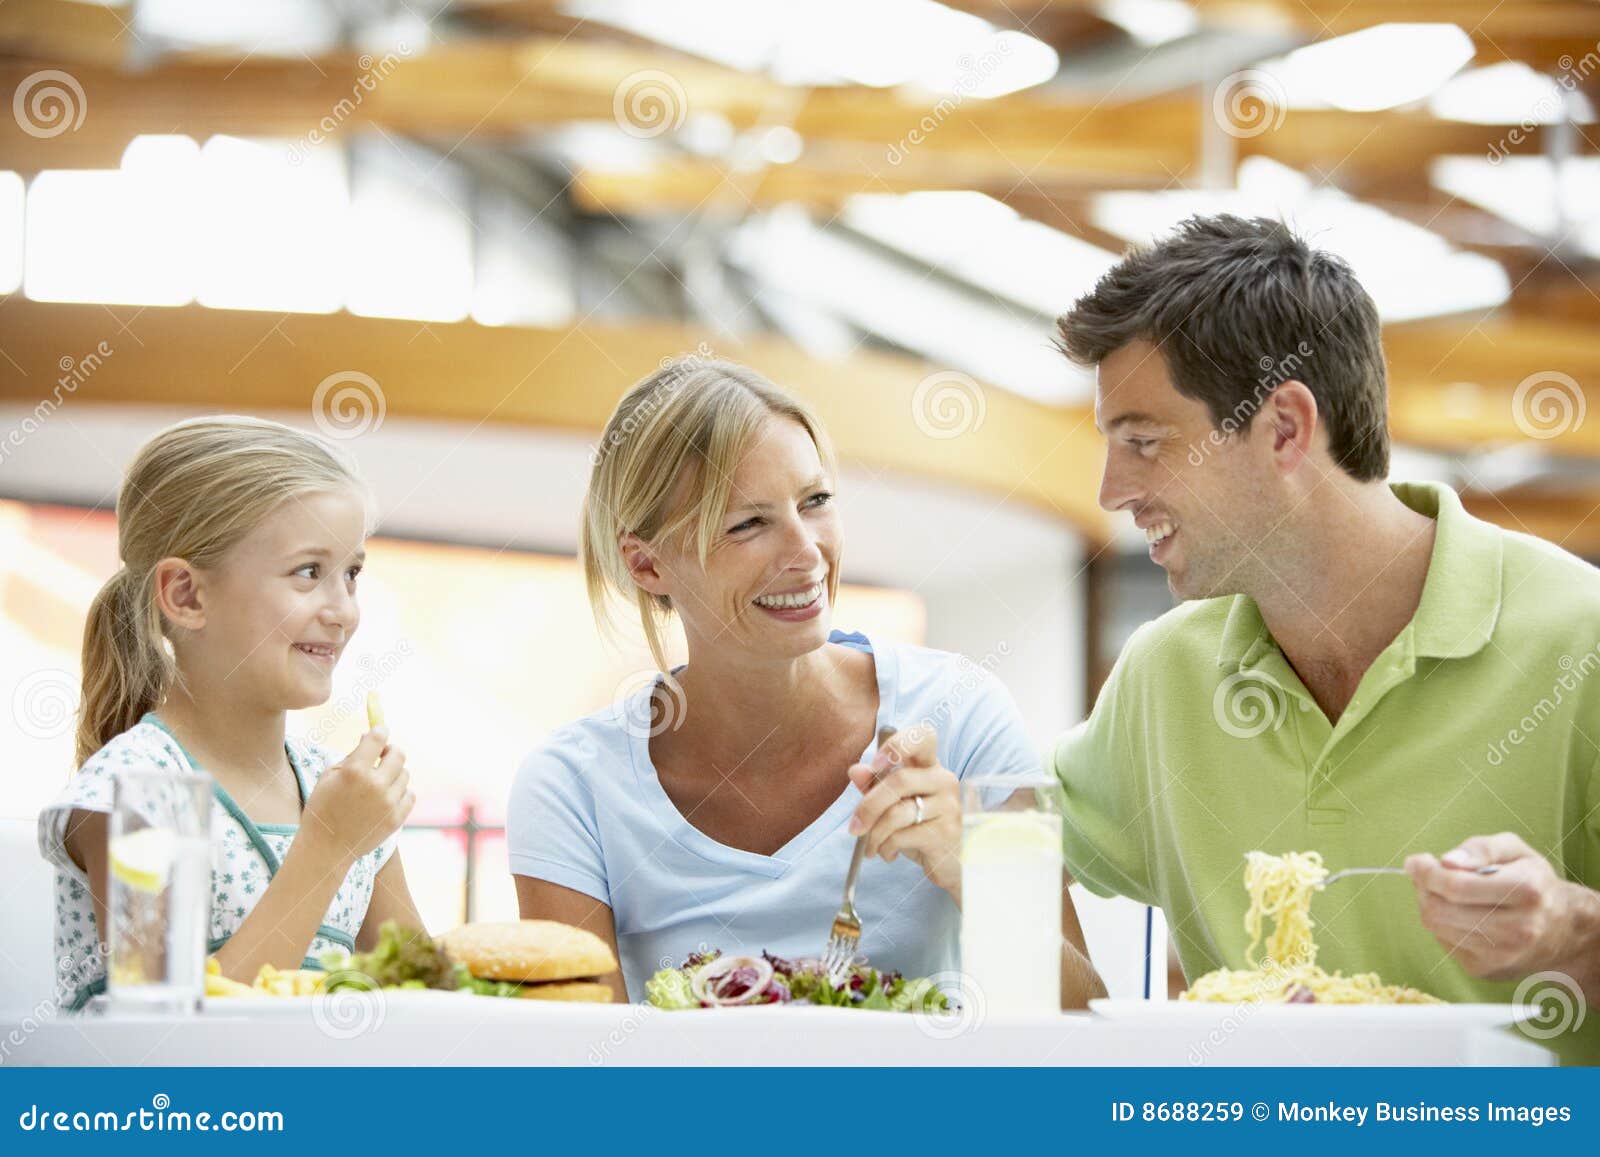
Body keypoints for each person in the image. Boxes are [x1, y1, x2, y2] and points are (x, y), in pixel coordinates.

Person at [1050, 214, 1599, 1060]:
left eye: (1146, 442)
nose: (1111, 489)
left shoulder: (1581, 639)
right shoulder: (1165, 674)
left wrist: (1570, 931)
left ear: (1284, 428)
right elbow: (1012, 830)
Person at [508, 358, 1103, 1004]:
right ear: (647, 564)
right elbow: (581, 1074)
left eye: (815, 502)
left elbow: (1079, 1014)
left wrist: (969, 868)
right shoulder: (572, 788)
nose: (806, 551)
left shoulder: (961, 715)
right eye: (747, 523)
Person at [38, 416, 421, 1009]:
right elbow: (169, 1041)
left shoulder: (341, 792)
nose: (343, 610)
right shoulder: (139, 791)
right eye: (308, 572)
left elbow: (429, 996)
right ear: (187, 595)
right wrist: (326, 846)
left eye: (351, 573)